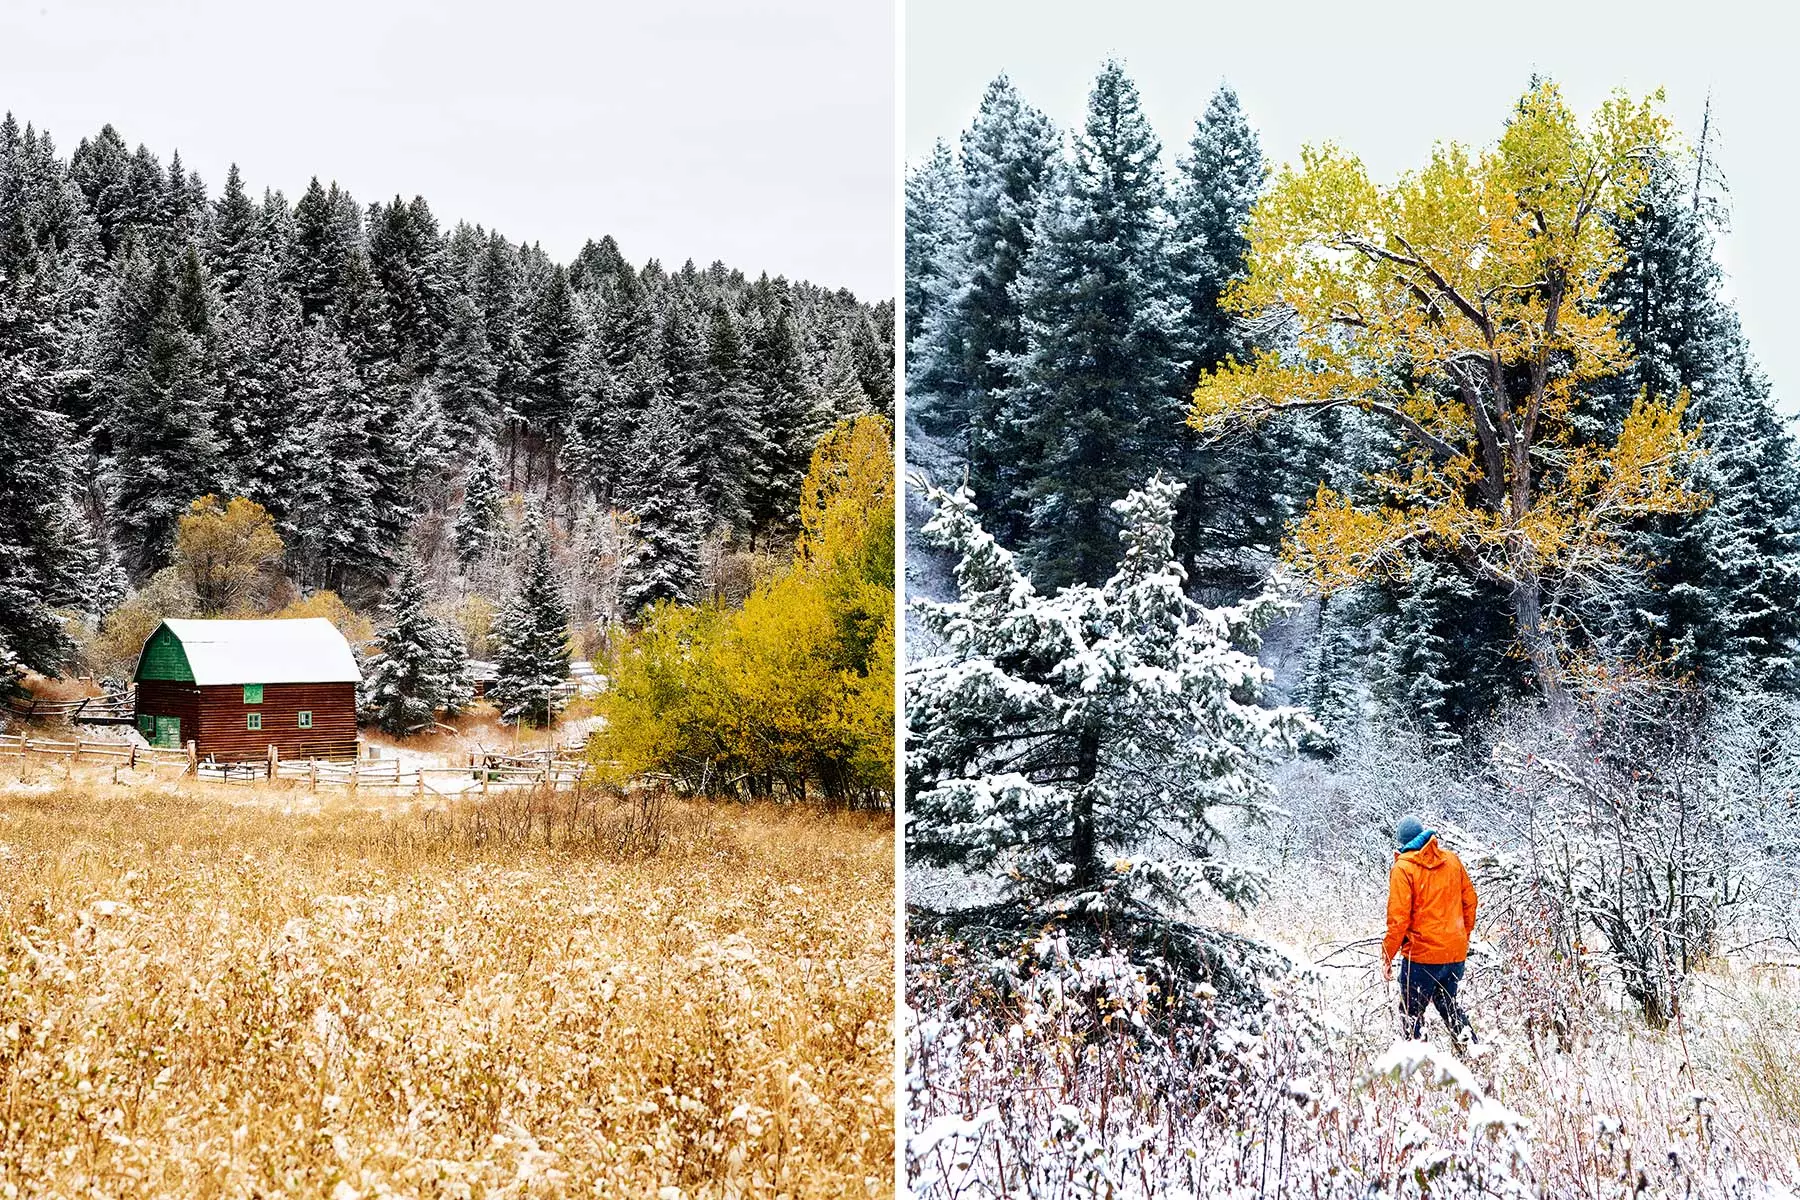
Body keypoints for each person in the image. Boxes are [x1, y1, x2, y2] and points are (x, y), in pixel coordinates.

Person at [1381, 815, 1478, 1044]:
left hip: (1421, 957)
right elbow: (1470, 902)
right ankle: (1475, 1054)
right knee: (1449, 1007)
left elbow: (1398, 919)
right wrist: (1460, 937)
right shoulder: (1452, 860)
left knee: (1410, 1015)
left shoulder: (1403, 868)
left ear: (1401, 842)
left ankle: (1415, 1069)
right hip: (1454, 954)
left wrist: (1387, 956)